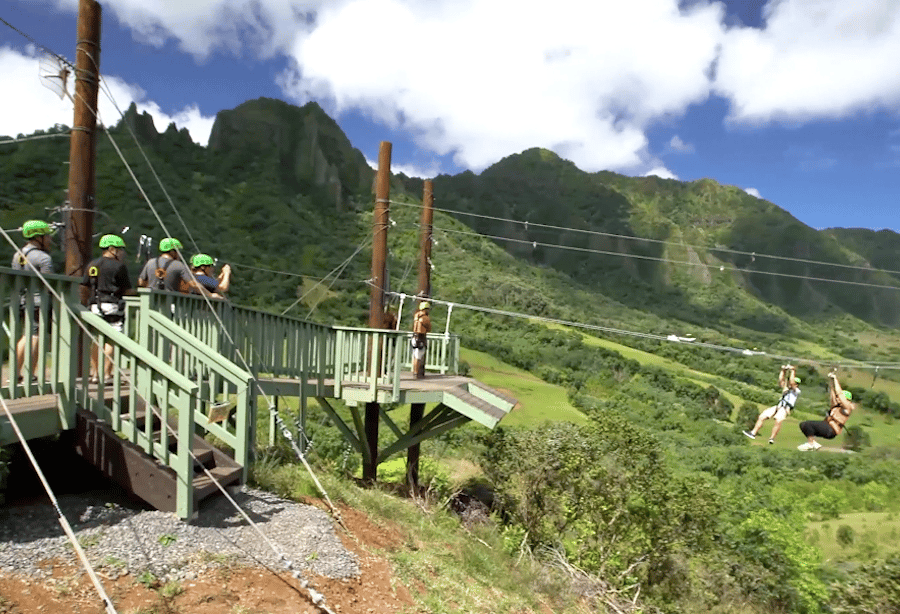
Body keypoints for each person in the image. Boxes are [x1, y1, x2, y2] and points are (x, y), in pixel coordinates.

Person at [81, 234, 135, 382]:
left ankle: (95, 374)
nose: (122, 253)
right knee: (111, 340)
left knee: (96, 339)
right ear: (112, 249)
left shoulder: (92, 264)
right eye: (120, 249)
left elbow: (84, 285)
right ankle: (106, 374)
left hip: (94, 304)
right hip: (112, 304)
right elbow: (126, 289)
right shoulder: (119, 266)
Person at [10, 220, 55, 383]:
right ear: (38, 237)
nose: (50, 239)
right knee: (35, 336)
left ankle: (15, 372)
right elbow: (50, 283)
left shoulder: (18, 255)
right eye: (47, 236)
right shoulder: (43, 258)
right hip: (39, 302)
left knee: (25, 335)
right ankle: (30, 374)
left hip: (23, 300)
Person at [743, 365, 801, 444]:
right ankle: (753, 433)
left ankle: (772, 438)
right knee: (762, 416)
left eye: (795, 383)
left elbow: (791, 381)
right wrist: (783, 371)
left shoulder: (796, 391)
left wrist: (793, 371)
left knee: (778, 421)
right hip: (779, 406)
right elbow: (781, 380)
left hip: (785, 408)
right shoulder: (786, 388)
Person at [798, 372, 855, 451]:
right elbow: (832, 394)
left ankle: (811, 444)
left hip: (831, 430)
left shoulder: (847, 407)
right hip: (827, 426)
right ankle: (813, 443)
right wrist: (831, 381)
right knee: (803, 425)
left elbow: (839, 393)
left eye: (840, 398)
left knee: (808, 424)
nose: (838, 398)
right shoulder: (836, 406)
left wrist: (835, 378)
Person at [411, 301, 431, 379]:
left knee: (415, 356)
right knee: (418, 357)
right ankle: (416, 373)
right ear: (425, 309)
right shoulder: (425, 318)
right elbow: (429, 328)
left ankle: (414, 371)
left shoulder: (416, 316)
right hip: (421, 338)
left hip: (414, 337)